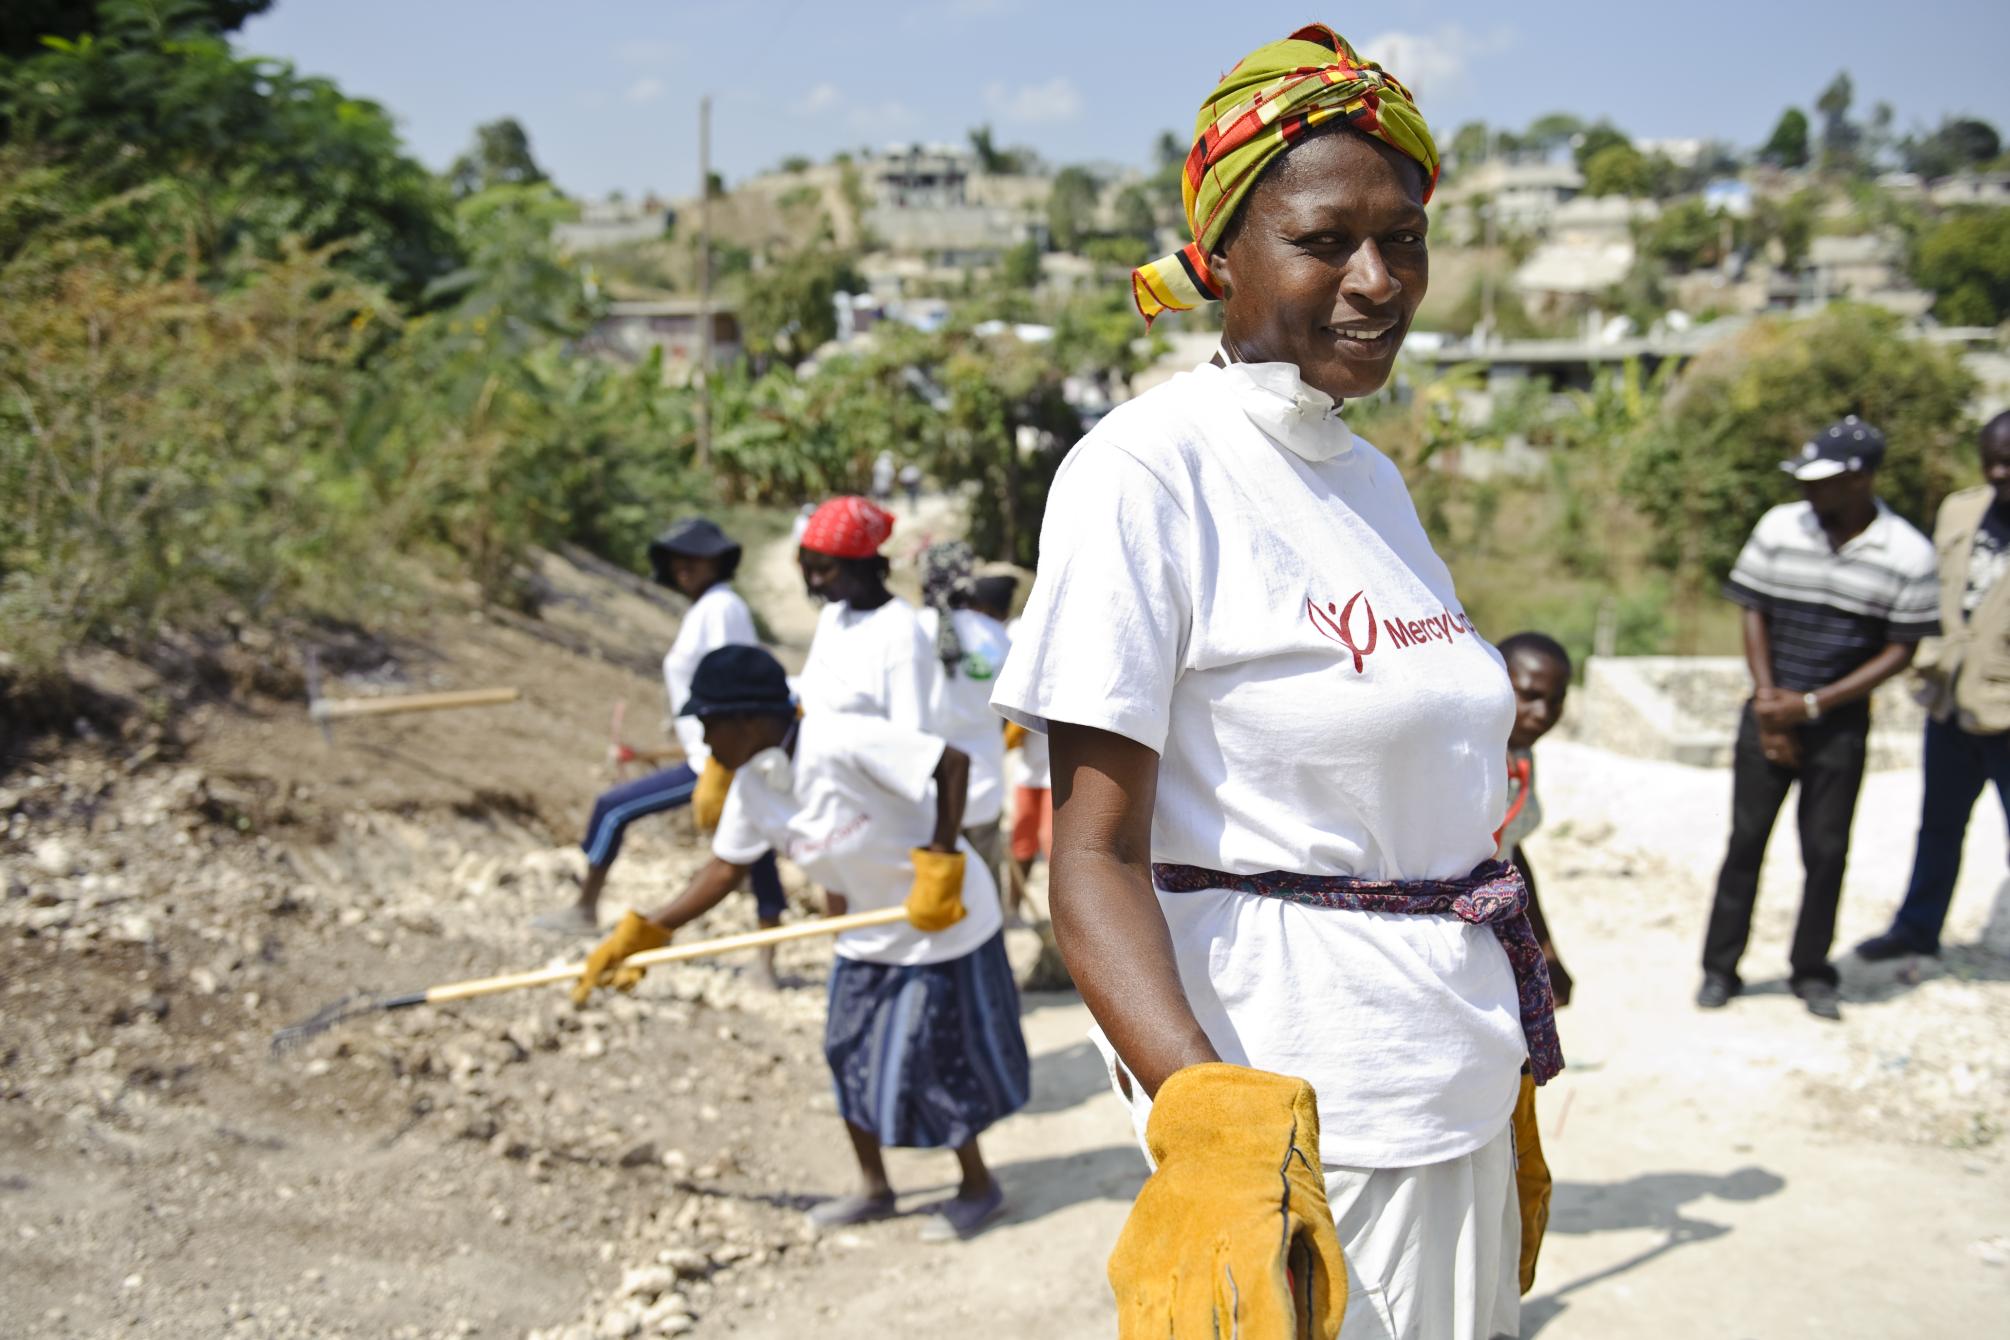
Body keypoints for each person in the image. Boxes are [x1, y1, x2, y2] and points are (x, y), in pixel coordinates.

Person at [992, 26, 1555, 1337]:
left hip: (1453, 1086)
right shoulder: (1145, 473)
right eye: (1322, 242)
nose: (1377, 281)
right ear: (1222, 253)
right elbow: (1094, 856)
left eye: (1402, 238)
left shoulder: (1366, 478)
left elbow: (1431, 800)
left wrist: (1487, 1045)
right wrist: (1210, 1123)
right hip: (1296, 1119)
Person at [573, 646, 1028, 1240]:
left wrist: (940, 859)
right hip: (867, 929)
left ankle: (977, 1186)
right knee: (845, 1051)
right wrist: (643, 933)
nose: (705, 745)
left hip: (940, 920)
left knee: (929, 1059)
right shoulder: (754, 787)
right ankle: (874, 1187)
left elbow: (951, 763)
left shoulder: (838, 740)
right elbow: (721, 872)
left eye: (709, 726)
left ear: (748, 719)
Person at [1699, 417, 1939, 1020]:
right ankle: (1719, 969)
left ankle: (1811, 971)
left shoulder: (1908, 553)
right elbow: (1754, 608)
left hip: (1838, 727)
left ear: (1860, 480)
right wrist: (1769, 703)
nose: (1808, 489)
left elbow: (1900, 649)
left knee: (1826, 851)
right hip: (1767, 710)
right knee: (1746, 843)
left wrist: (1812, 706)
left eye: (1822, 480)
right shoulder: (1780, 528)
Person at [536, 520, 788, 976]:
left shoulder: (721, 609)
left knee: (616, 810)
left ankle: (586, 907)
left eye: (693, 559)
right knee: (752, 846)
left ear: (716, 561)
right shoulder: (706, 609)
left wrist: (718, 768)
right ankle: (765, 958)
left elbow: (736, 685)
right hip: (708, 752)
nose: (683, 568)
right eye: (678, 560)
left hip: (718, 759)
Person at [1859, 411, 2010, 961]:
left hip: (2006, 711)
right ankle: (1917, 928)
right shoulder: (1961, 511)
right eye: (1990, 462)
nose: (1998, 475)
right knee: (1938, 827)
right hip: (1949, 702)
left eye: (2008, 465)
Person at [917, 542, 1015, 894]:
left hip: (931, 788)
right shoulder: (994, 635)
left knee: (941, 887)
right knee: (985, 887)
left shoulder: (914, 630)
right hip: (985, 778)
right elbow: (1008, 710)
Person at [795, 496, 933, 730]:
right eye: (808, 569)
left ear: (860, 566)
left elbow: (912, 741)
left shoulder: (901, 634)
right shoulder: (833, 616)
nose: (815, 581)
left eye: (825, 569)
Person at [1495, 631, 1575, 1007]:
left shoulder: (1521, 754)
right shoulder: (1471, 761)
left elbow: (1511, 854)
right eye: (1529, 696)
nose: (1543, 714)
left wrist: (1544, 948)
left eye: (1555, 700)